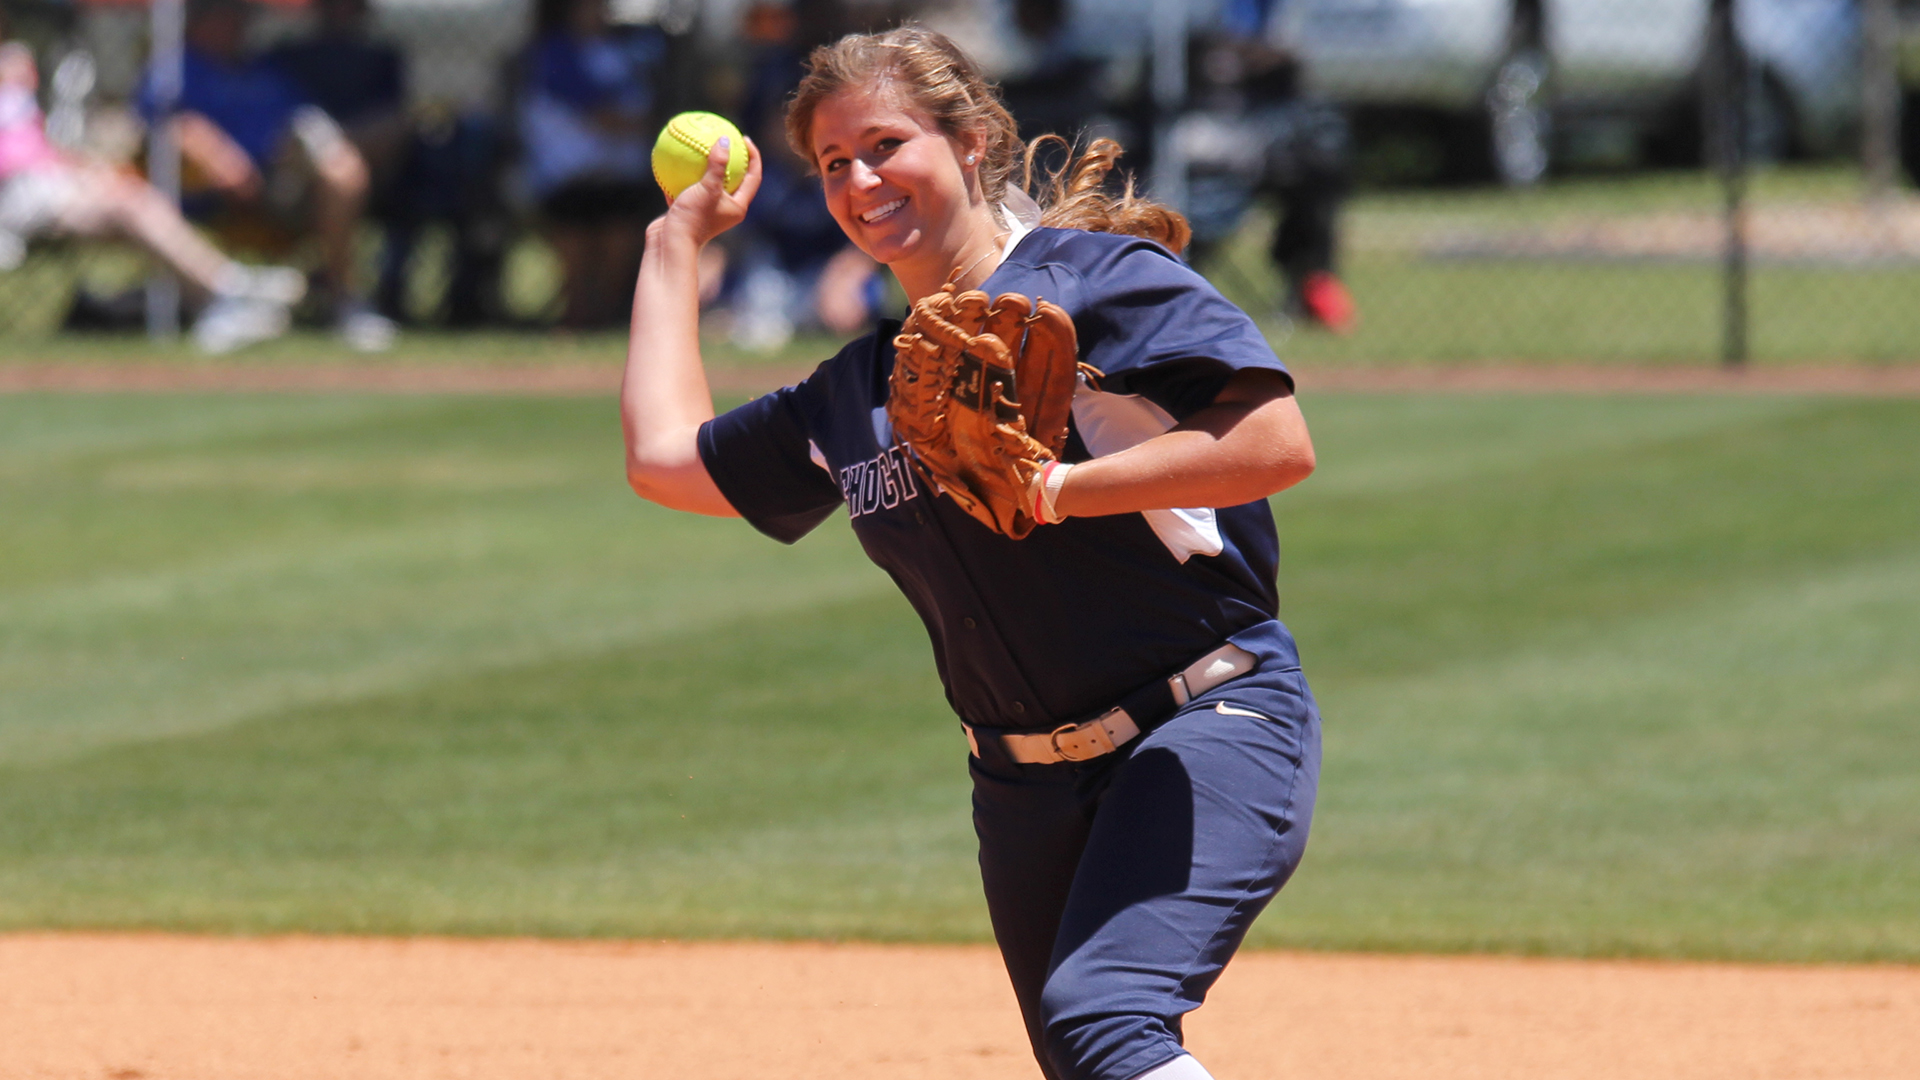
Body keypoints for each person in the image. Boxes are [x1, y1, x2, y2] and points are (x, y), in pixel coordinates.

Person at [621, 24, 1320, 1080]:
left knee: (1104, 1020)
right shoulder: (860, 392)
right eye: (834, 163)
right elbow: (664, 460)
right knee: (1089, 1055)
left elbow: (1273, 444)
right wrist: (675, 244)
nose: (861, 181)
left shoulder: (1094, 284)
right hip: (1022, 787)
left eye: (885, 145)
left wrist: (1056, 488)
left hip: (1205, 720)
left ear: (970, 141)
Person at [0, 40, 305, 352]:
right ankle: (229, 289)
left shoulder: (15, 81)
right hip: (14, 197)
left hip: (45, 182)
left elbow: (35, 149)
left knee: (134, 196)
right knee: (130, 206)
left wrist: (83, 167)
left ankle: (221, 297)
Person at [137, 0, 396, 351]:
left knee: (340, 168)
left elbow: (303, 120)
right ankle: (235, 297)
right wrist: (217, 156)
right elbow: (162, 123)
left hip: (278, 184)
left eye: (242, 16)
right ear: (200, 20)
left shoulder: (264, 70)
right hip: (208, 192)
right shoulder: (176, 68)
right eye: (228, 15)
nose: (240, 24)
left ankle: (344, 301)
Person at [518, 0, 667, 329]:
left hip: (619, 176)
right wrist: (632, 123)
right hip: (567, 176)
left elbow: (639, 111)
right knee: (575, 233)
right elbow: (602, 114)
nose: (597, 13)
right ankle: (577, 313)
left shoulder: (629, 52)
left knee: (621, 232)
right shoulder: (555, 53)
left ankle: (605, 313)